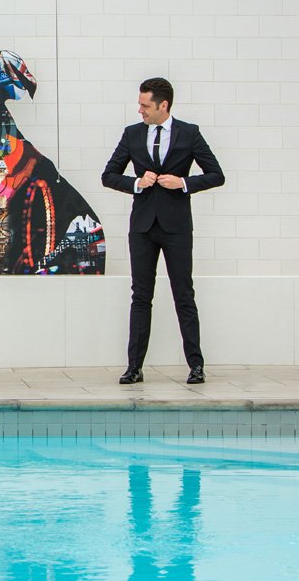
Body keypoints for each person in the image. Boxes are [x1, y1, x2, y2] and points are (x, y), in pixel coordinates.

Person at [101, 78, 224, 386]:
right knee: (140, 297)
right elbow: (109, 175)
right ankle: (134, 367)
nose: (140, 110)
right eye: (140, 104)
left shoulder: (189, 133)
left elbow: (216, 174)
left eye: (145, 105)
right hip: (142, 227)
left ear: (163, 105)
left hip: (177, 227)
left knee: (184, 294)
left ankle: (196, 366)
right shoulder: (132, 134)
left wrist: (183, 183)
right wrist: (135, 183)